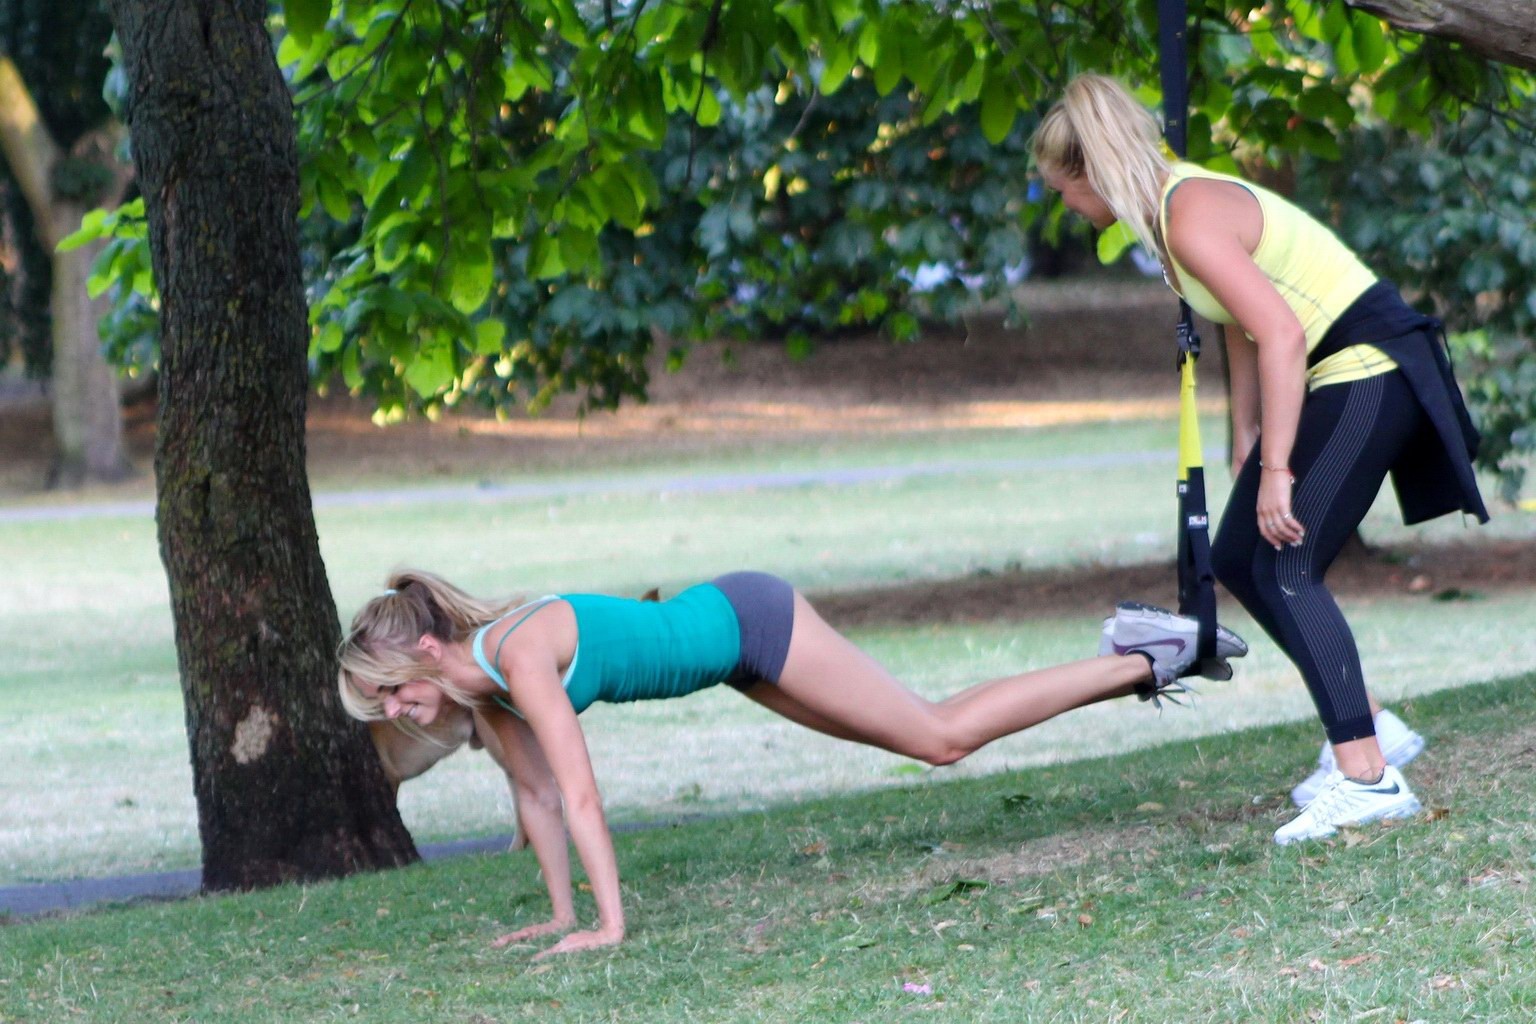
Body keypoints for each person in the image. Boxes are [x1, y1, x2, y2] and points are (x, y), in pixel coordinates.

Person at [1033, 74, 1487, 844]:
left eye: (1061, 189)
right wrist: (1248, 435)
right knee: (1240, 556)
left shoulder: (1189, 214)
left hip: (1370, 367)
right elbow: (1242, 328)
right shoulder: (1172, 211)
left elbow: (1280, 332)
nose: (1065, 208)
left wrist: (1278, 469)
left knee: (1283, 562)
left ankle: (1369, 776)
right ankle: (1375, 727)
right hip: (1341, 373)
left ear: (1092, 171)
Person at [338, 569, 1239, 958]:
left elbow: (578, 792)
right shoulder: (483, 688)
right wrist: (559, 920)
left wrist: (610, 928)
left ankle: (1144, 654)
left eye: (389, 690)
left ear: (424, 647)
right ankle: (1145, 651)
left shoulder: (517, 654)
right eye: (379, 705)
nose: (393, 713)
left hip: (751, 621)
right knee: (930, 734)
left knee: (938, 738)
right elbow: (533, 797)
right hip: (735, 656)